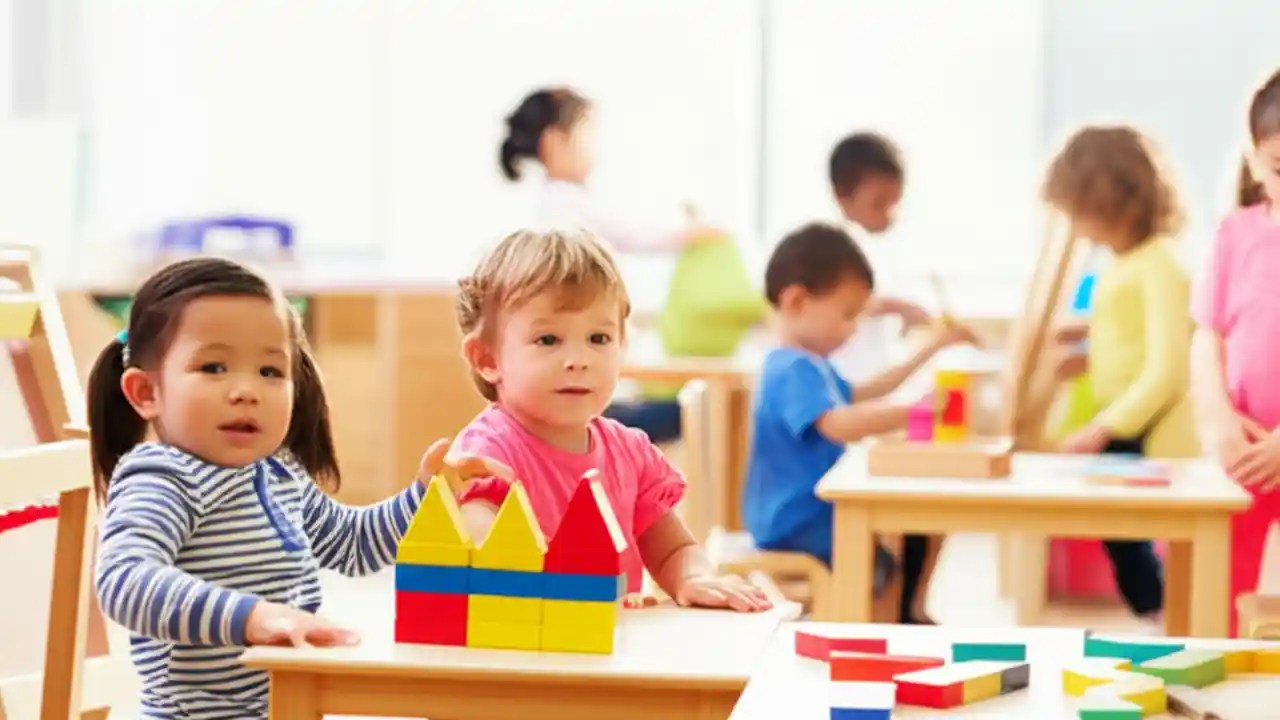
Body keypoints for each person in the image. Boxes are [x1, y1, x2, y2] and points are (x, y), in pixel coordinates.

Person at [88, 257, 507, 719]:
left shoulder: (277, 473)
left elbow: (353, 546)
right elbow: (123, 579)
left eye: (270, 371)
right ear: (146, 393)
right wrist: (255, 618)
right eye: (213, 367)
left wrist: (427, 493)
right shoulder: (163, 477)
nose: (247, 390)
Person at [448, 227, 772, 612]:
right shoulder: (488, 451)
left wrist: (691, 577)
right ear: (488, 359)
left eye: (598, 339)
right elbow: (475, 539)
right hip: (522, 657)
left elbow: (673, 549)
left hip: (614, 657)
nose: (579, 359)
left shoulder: (629, 451)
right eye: (548, 340)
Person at [743, 222, 977, 623]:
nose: (853, 329)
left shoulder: (810, 365)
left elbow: (867, 392)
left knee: (916, 521)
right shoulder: (791, 368)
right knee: (884, 547)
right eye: (848, 315)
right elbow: (838, 424)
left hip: (809, 511)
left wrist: (929, 349)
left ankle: (910, 614)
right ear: (797, 301)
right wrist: (913, 411)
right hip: (797, 517)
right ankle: (883, 631)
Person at [500, 86, 718, 444]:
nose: (596, 153)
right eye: (588, 138)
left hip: (580, 368)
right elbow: (632, 232)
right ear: (555, 143)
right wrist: (690, 232)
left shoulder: (567, 203)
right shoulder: (564, 208)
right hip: (577, 373)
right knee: (684, 415)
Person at [1046, 125, 1197, 625]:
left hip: (1146, 428)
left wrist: (1101, 428)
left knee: (1119, 523)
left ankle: (1158, 611)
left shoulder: (1159, 265)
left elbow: (1166, 368)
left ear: (1109, 203)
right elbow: (1127, 338)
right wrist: (1086, 350)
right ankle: (1154, 610)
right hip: (1125, 422)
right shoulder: (1123, 263)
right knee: (1111, 525)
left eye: (1077, 211)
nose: (1074, 226)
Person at [1191, 68, 1280, 635]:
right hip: (1244, 450)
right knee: (1224, 590)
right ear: (1253, 161)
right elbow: (1207, 337)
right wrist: (1218, 419)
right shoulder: (1234, 234)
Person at [826, 132, 933, 384]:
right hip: (849, 379)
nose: (889, 215)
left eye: (894, 204)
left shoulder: (880, 249)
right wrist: (899, 307)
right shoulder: (831, 247)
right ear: (842, 198)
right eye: (878, 204)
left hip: (877, 377)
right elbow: (841, 305)